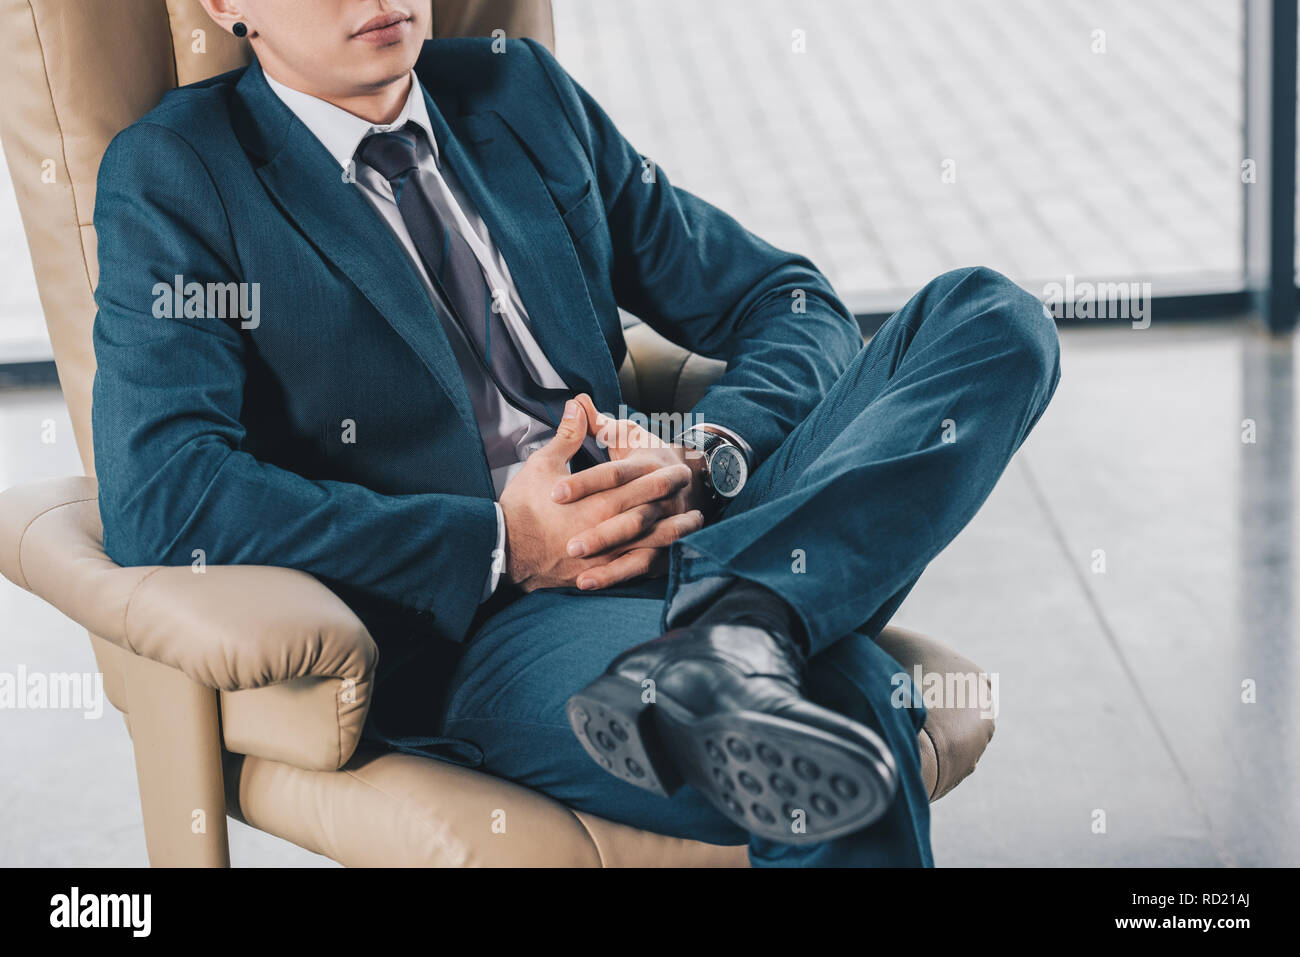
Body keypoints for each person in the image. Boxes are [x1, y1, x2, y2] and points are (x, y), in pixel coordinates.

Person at [91, 0, 1059, 866]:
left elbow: (786, 300)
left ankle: (737, 623)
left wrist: (708, 454)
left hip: (703, 528)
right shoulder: (180, 174)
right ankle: (745, 627)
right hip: (493, 623)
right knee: (840, 719)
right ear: (226, 5)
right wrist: (507, 543)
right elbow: (166, 495)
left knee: (988, 317)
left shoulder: (519, 94)